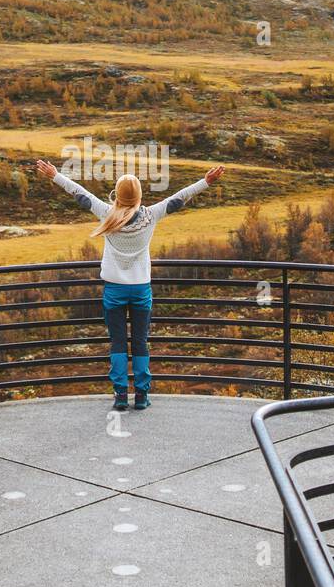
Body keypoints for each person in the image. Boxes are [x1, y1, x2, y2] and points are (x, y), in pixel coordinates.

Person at [35, 159, 225, 410]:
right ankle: (142, 395)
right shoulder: (150, 216)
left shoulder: (106, 214)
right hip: (141, 290)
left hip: (114, 290)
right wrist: (205, 182)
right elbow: (179, 199)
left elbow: (81, 194)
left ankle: (121, 396)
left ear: (117, 194)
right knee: (140, 341)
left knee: (117, 342)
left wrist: (55, 175)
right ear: (139, 196)